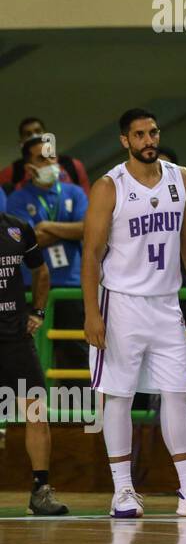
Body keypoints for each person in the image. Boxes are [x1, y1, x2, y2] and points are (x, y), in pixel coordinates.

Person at [81, 108, 186, 518]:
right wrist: (91, 312)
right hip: (120, 303)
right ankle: (122, 491)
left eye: (153, 132)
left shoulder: (181, 177)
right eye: (139, 135)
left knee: (178, 394)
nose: (148, 140)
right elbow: (91, 253)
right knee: (118, 396)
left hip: (167, 302)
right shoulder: (108, 187)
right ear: (125, 141)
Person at [0, 206, 67, 514]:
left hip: (15, 337)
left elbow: (40, 269)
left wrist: (38, 311)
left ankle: (41, 491)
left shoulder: (17, 228)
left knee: (37, 411)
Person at [8, 134, 89, 371]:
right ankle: (25, 408)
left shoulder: (74, 193)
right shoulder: (17, 200)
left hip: (70, 287)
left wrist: (45, 227)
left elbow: (86, 229)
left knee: (75, 355)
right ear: (29, 167)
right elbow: (25, 242)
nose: (50, 163)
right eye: (42, 159)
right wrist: (66, 230)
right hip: (30, 288)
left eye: (52, 156)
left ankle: (78, 408)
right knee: (27, 356)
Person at [0, 117, 91, 195]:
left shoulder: (73, 165)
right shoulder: (13, 171)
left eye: (38, 131)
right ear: (21, 142)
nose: (34, 136)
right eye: (28, 134)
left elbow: (88, 200)